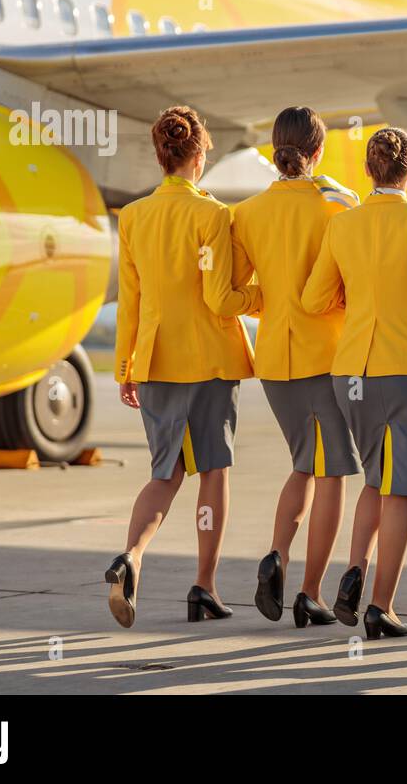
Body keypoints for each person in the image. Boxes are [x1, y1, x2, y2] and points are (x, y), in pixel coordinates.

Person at [302, 127, 407, 639]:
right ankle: (381, 605)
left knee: (375, 477)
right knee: (401, 491)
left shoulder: (344, 226)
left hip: (351, 369)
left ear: (368, 173)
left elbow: (313, 300)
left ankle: (355, 567)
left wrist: (356, 305)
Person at [106, 106, 261, 627]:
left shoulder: (132, 217)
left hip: (153, 361)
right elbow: (220, 299)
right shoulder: (214, 216)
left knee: (165, 473)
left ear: (160, 156)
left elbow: (131, 300)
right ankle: (205, 586)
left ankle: (132, 555)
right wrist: (259, 295)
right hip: (208, 362)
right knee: (213, 472)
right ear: (198, 157)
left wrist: (126, 366)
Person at [231, 107, 362, 628]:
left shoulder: (246, 213)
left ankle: (277, 555)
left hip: (273, 360)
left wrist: (273, 302)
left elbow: (233, 292)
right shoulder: (337, 207)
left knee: (304, 464)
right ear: (318, 152)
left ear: (272, 148)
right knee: (333, 473)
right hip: (324, 356)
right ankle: (310, 593)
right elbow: (348, 286)